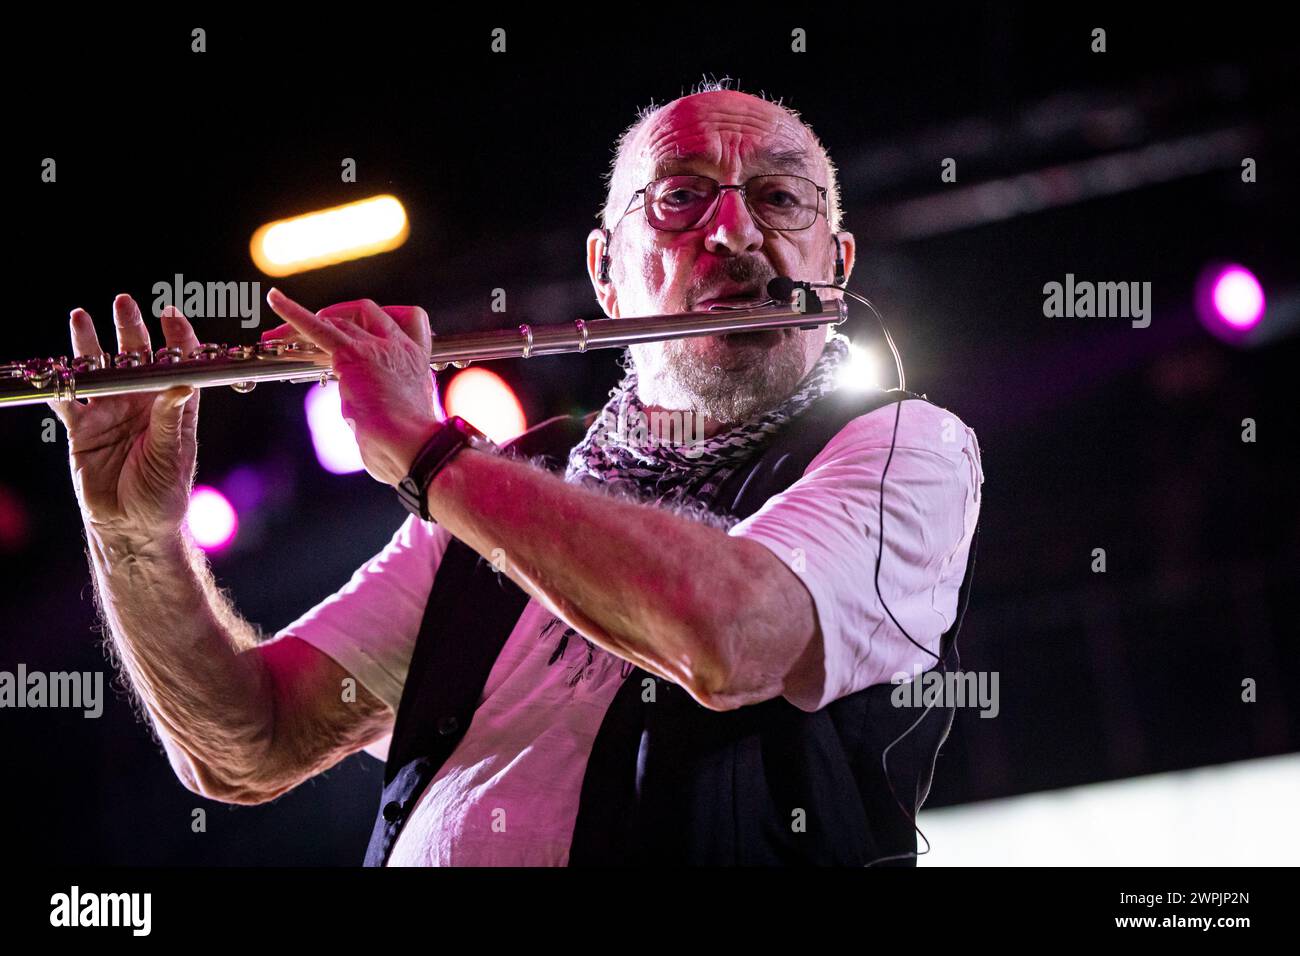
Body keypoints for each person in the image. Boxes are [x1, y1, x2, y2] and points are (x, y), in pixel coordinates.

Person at [50, 85, 984, 866]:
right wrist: (134, 535)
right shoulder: (505, 482)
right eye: (679, 199)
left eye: (780, 199)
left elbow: (730, 635)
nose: (734, 232)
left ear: (836, 261)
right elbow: (246, 746)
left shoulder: (905, 447)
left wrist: (428, 452)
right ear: (605, 274)